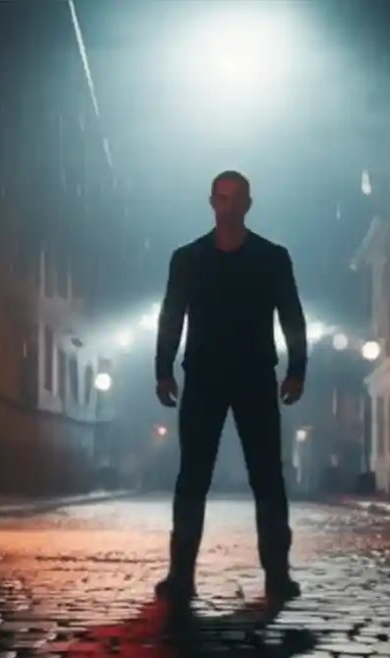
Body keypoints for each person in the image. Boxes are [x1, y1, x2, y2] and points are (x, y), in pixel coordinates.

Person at [153, 170, 307, 604]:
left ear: (248, 204)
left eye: (236, 198)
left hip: (255, 375)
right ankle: (180, 574)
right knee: (193, 476)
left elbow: (291, 316)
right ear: (212, 202)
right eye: (222, 198)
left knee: (267, 476)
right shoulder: (188, 259)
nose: (229, 206)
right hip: (203, 375)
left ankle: (277, 573)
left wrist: (297, 369)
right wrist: (163, 369)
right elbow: (171, 316)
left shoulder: (272, 258)